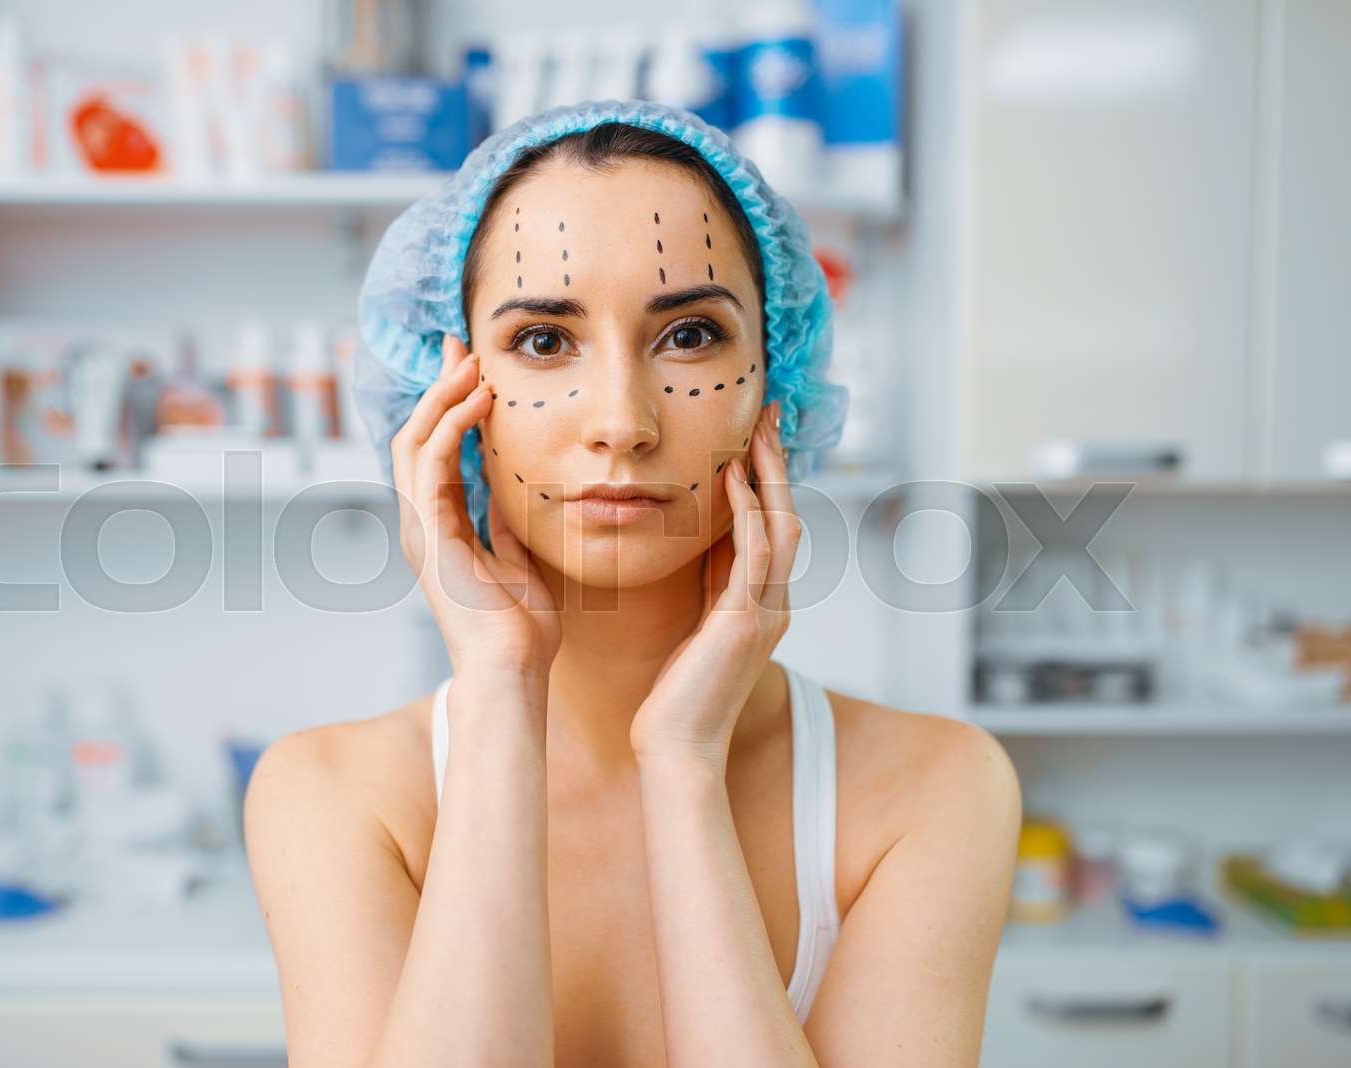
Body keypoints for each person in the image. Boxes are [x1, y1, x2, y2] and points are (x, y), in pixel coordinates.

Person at [246, 101, 1020, 1067]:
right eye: (542, 341)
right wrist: (498, 692)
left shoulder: (933, 791)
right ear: (451, 399)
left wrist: (684, 763)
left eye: (690, 335)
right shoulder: (333, 798)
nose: (621, 420)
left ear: (774, 388)